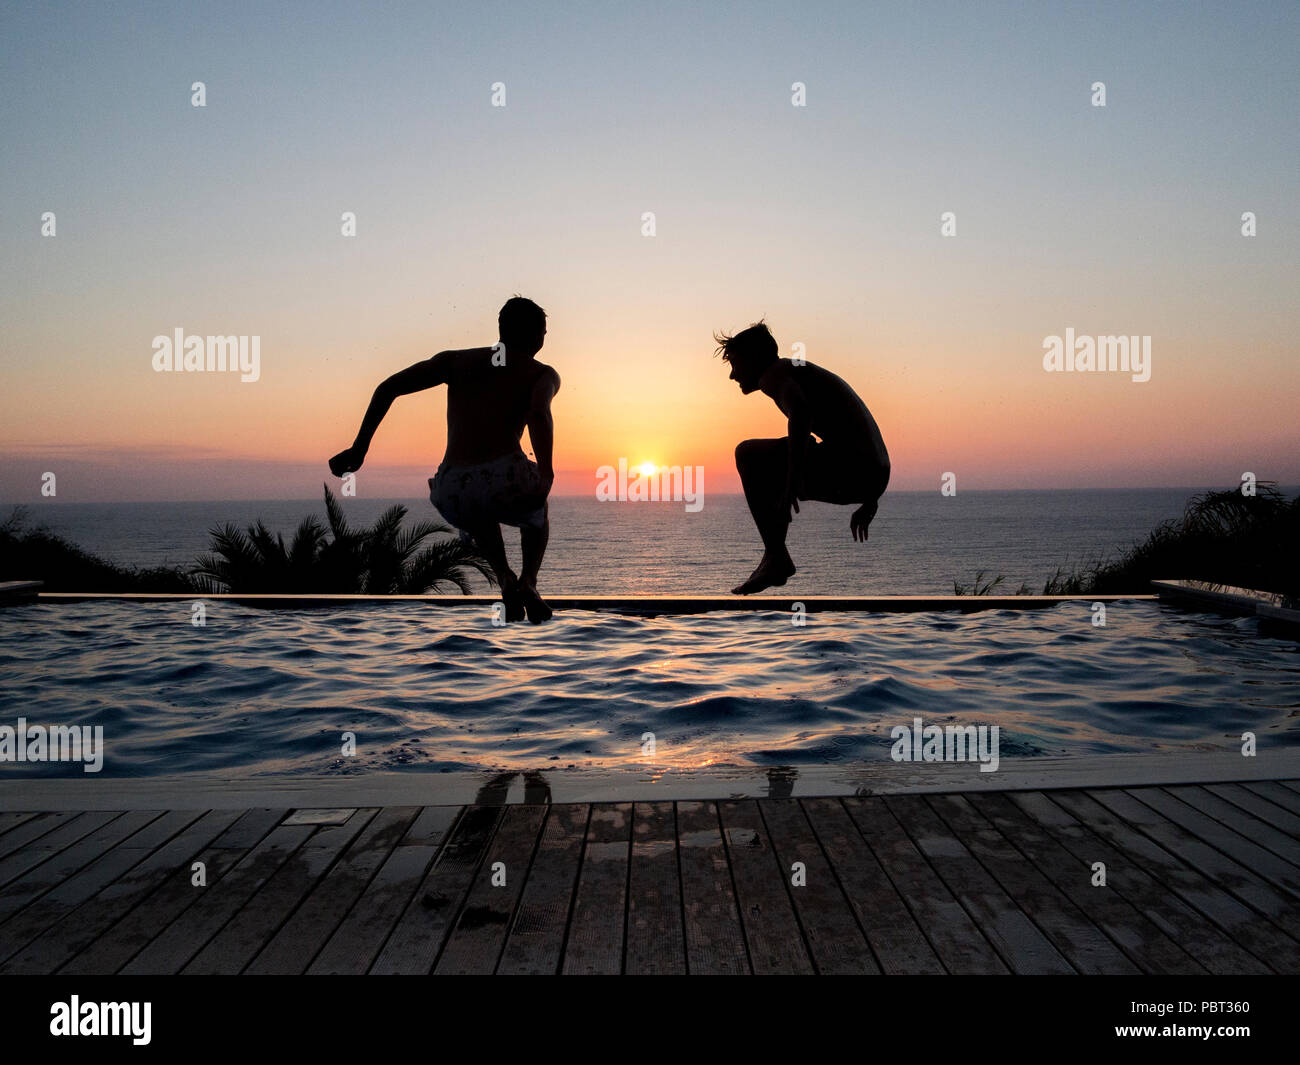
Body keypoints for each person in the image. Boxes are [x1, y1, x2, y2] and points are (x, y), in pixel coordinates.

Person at [330, 296, 560, 623]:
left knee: (478, 511)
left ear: (502, 329)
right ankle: (529, 582)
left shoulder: (455, 361)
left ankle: (505, 580)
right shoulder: (541, 373)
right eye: (545, 333)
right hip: (502, 476)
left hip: (451, 486)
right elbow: (539, 414)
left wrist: (359, 449)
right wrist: (547, 473)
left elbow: (388, 387)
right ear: (537, 335)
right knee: (537, 508)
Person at [717, 321, 889, 595]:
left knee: (748, 455)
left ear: (755, 359)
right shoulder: (794, 371)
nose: (732, 375)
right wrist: (872, 495)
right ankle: (775, 557)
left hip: (856, 470)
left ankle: (775, 558)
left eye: (735, 364)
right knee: (783, 456)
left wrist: (791, 482)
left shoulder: (773, 375)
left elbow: (801, 413)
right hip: (871, 476)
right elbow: (856, 432)